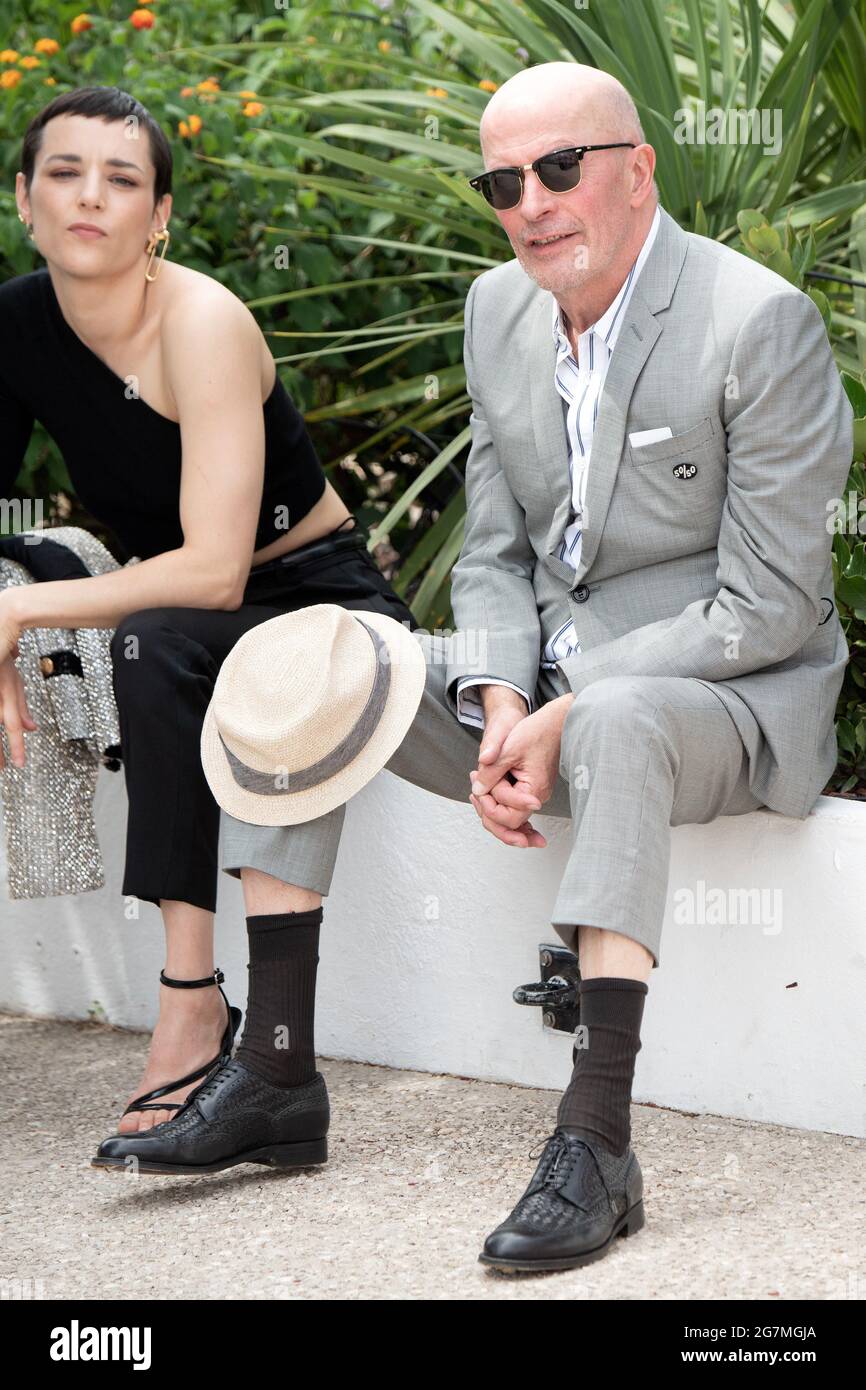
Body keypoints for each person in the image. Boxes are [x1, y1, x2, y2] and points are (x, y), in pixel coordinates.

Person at [90, 62, 852, 1275]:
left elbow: (767, 605)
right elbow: (492, 555)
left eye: (561, 168)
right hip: (539, 701)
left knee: (620, 723)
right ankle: (277, 1066)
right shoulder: (498, 310)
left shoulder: (752, 321)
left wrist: (567, 704)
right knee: (321, 652)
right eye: (504, 180)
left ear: (636, 168)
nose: (533, 201)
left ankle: (596, 1139)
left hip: (727, 703)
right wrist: (502, 698)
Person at [0, 85, 416, 1136]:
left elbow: (219, 571)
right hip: (171, 602)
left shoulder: (202, 321)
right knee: (141, 629)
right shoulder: (16, 324)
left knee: (152, 638)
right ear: (24, 201)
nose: (91, 196)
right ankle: (193, 1010)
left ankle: (190, 1003)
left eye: (123, 178)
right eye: (65, 172)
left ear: (159, 217)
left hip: (311, 594)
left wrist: (21, 615)